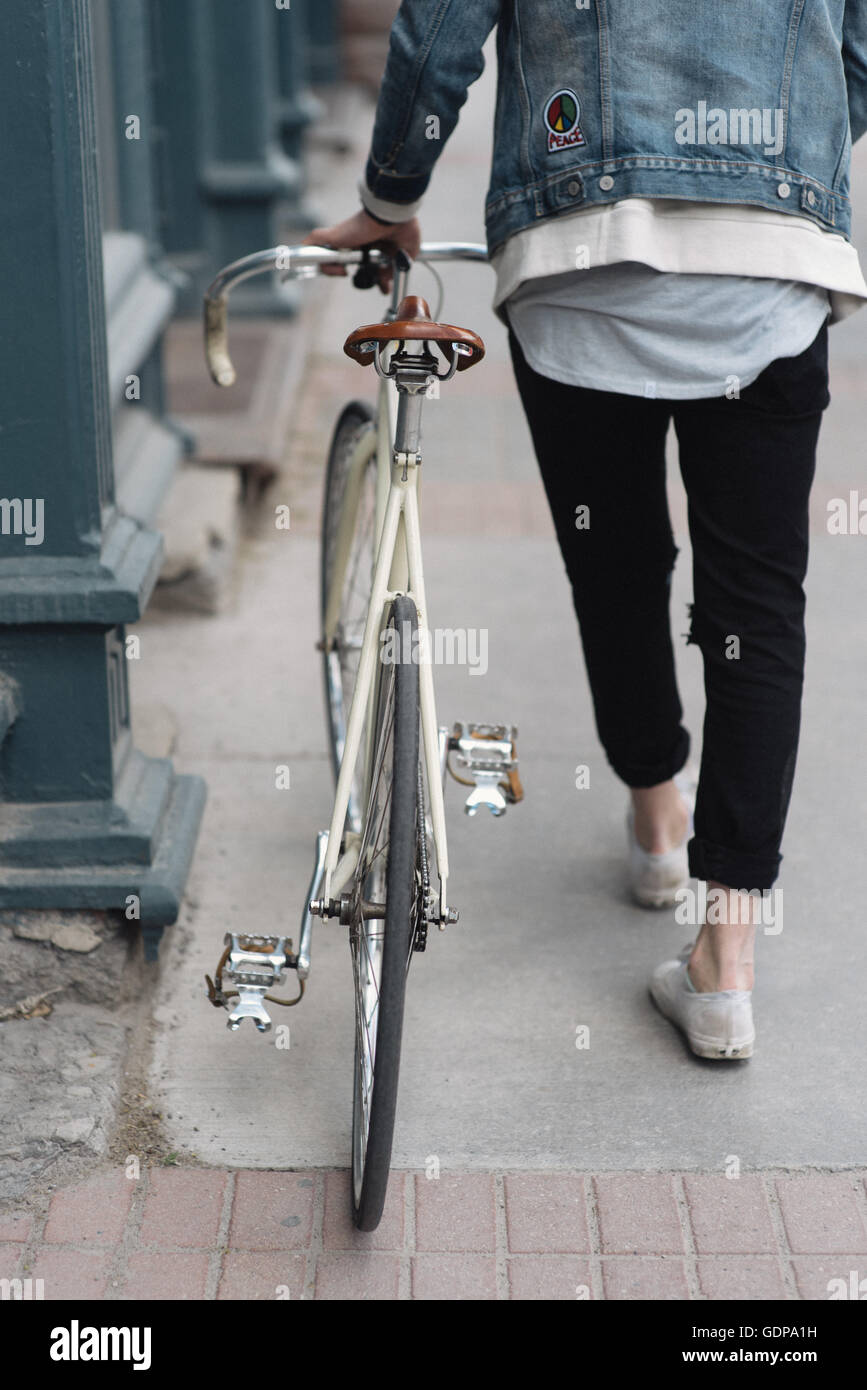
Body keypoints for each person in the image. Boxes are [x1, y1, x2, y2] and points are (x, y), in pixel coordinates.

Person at [305, 1, 867, 1060]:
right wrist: (777, 160)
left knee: (614, 570)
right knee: (757, 606)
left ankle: (657, 815)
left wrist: (392, 194)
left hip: (576, 264)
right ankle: (727, 965)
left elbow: (438, 32)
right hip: (768, 266)